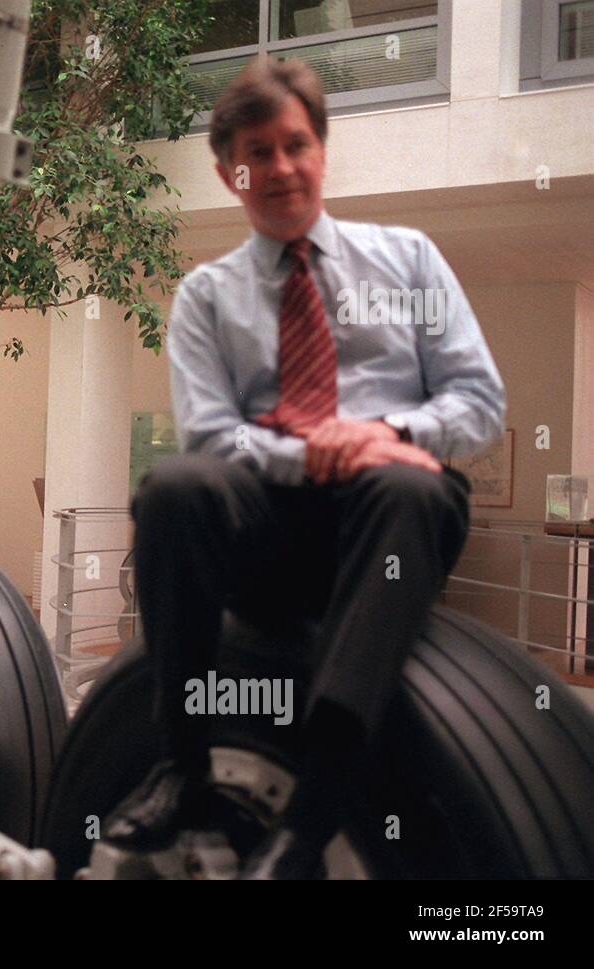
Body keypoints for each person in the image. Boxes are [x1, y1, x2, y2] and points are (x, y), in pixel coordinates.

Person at [103, 57, 505, 879]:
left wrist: (381, 430)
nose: (281, 167)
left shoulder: (410, 260)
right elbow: (213, 440)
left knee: (404, 480)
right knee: (175, 485)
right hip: (266, 531)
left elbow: (479, 403)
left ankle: (315, 807)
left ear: (322, 150)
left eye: (297, 144)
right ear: (230, 172)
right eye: (259, 151)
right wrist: (315, 449)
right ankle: (181, 762)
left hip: (387, 520)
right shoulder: (207, 297)